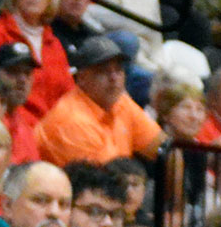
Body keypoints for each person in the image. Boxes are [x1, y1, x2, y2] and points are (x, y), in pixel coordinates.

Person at [34, 36, 164, 166]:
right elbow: (103, 183)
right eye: (103, 71)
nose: (114, 78)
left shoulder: (120, 101)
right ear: (82, 78)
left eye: (118, 70)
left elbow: (163, 148)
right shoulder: (72, 122)